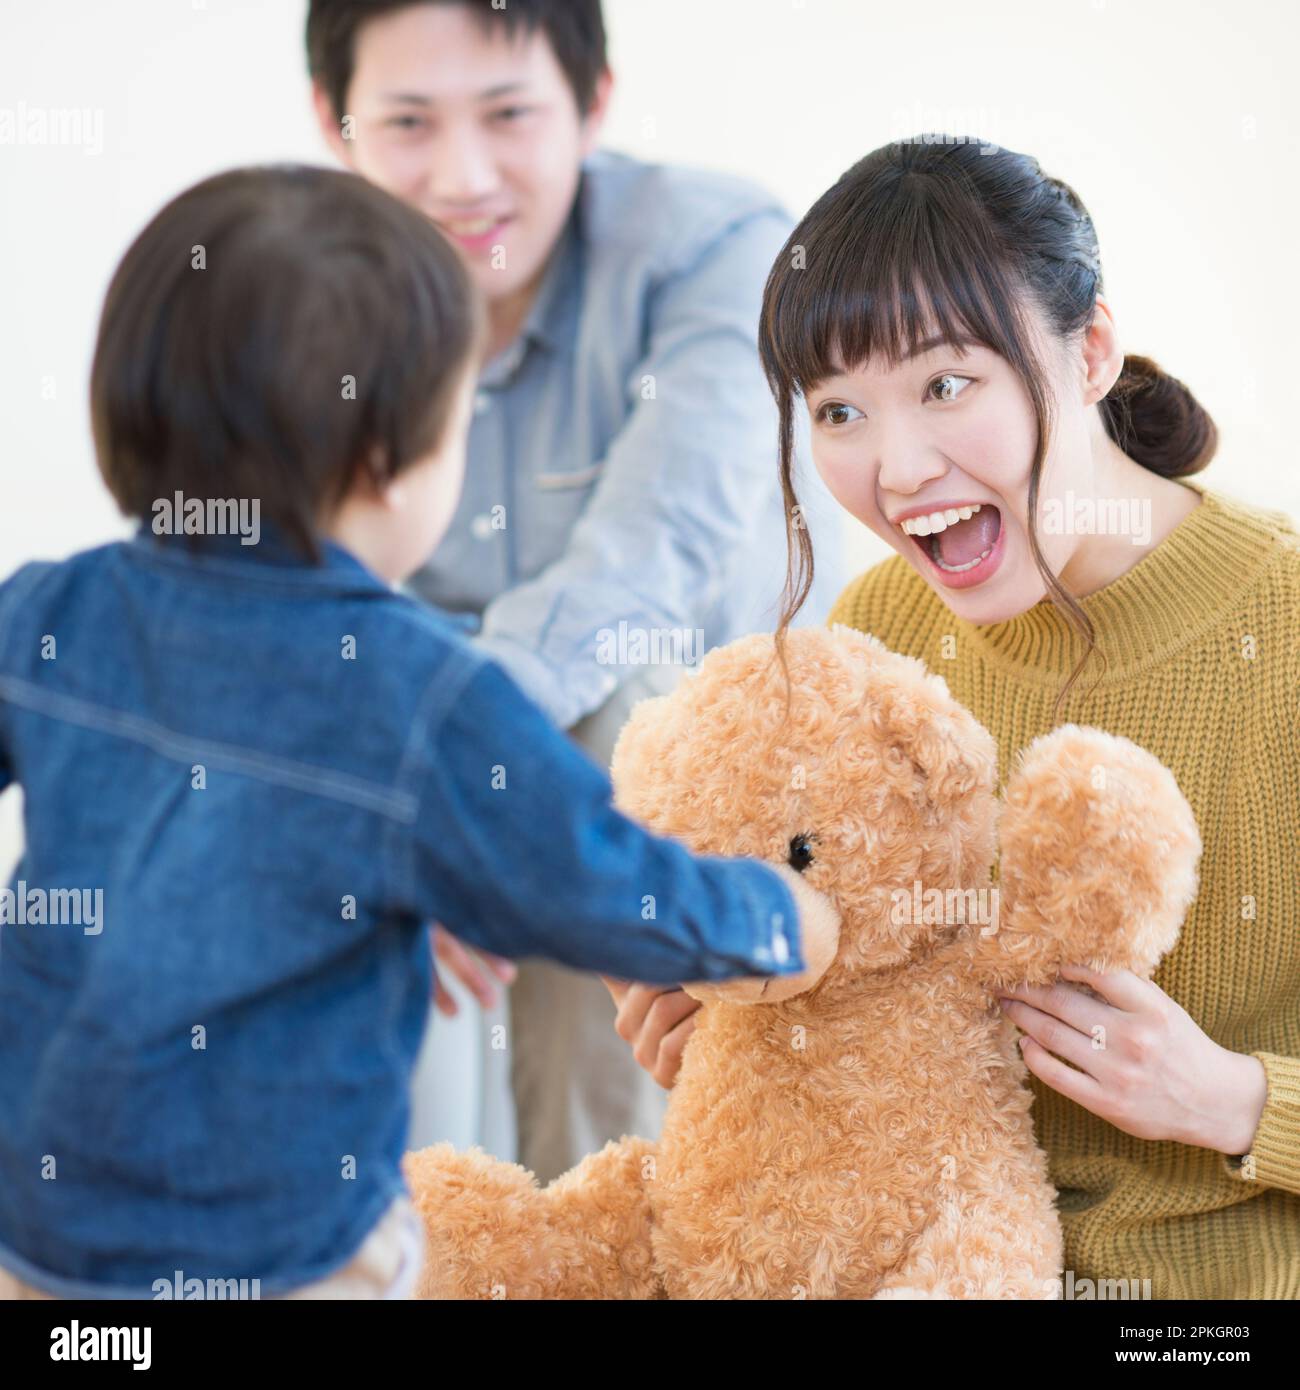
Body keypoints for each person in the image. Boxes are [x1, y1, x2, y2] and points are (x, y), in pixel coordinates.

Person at [0, 164, 825, 1299]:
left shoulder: (49, 610)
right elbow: (600, 883)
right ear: (388, 465)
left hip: (37, 1226)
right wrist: (776, 916)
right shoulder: (416, 691)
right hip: (282, 1253)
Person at [619, 135, 1300, 1300]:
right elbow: (864, 978)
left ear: (1088, 351)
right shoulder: (877, 622)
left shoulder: (1278, 625)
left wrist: (1238, 1100)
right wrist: (738, 1024)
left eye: (945, 385)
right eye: (837, 411)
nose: (894, 469)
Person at [305, 0, 845, 1182]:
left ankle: (605, 1217)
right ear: (333, 124)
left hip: (731, 761)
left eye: (507, 116)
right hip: (473, 754)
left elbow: (651, 559)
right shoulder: (305, 303)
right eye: (406, 122)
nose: (462, 175)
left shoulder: (716, 247)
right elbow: (308, 591)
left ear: (593, 103)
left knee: (609, 734)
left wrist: (438, 755)